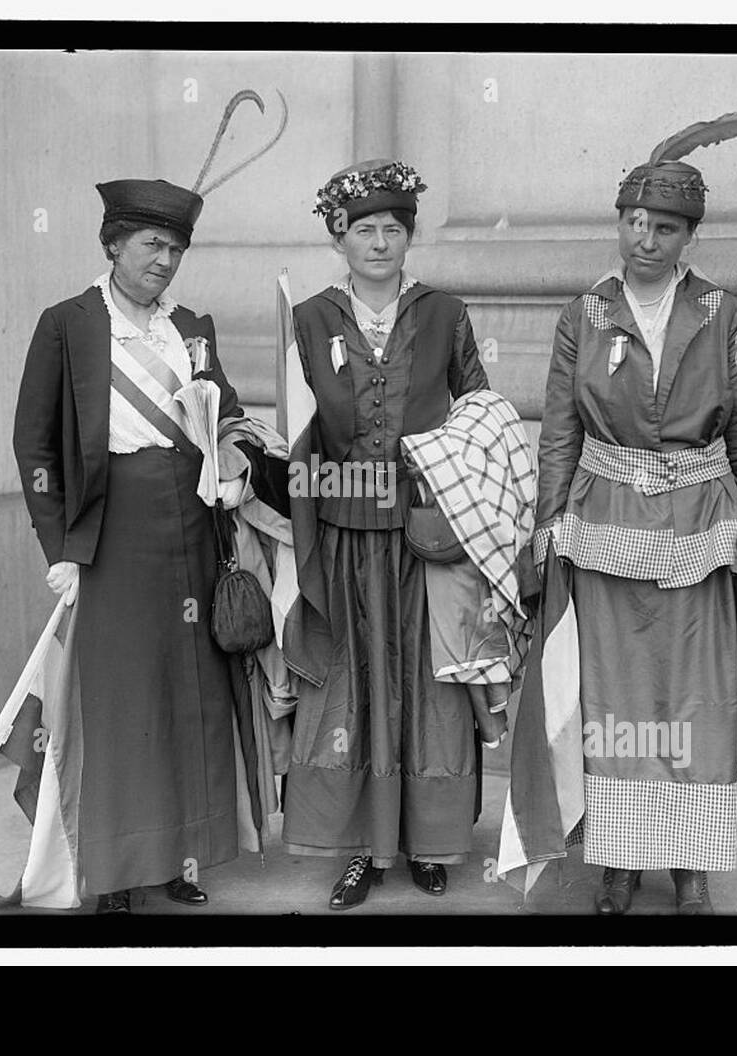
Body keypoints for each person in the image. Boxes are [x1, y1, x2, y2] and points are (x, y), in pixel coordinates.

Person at [532, 113, 737, 915]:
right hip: (603, 522)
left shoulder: (722, 315)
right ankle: (618, 862)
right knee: (616, 700)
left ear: (687, 236)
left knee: (697, 700)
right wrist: (546, 523)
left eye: (664, 227)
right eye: (634, 221)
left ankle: (692, 865)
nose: (645, 239)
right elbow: (561, 428)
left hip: (701, 527)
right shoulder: (583, 314)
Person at [12, 178, 246, 914]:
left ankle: (178, 856)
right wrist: (59, 546)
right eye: (152, 245)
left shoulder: (191, 327)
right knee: (119, 705)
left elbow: (228, 415)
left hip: (191, 524)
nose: (165, 261)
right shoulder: (69, 324)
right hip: (112, 531)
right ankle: (114, 872)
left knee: (189, 697)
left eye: (176, 248)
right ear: (112, 244)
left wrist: (235, 459)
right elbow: (36, 442)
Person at [280, 158, 492, 909]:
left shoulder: (445, 313)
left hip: (427, 537)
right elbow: (296, 438)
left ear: (410, 236)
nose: (379, 242)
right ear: (340, 236)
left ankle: (429, 843)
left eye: (392, 229)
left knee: (430, 685)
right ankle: (361, 852)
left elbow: (480, 415)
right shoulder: (307, 318)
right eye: (364, 229)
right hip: (345, 540)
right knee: (354, 688)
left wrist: (465, 503)